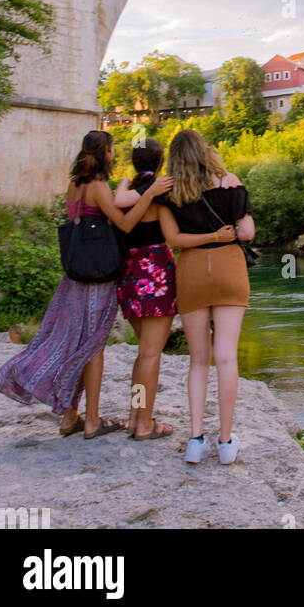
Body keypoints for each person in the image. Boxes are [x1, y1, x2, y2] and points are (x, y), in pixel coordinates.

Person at [0, 130, 172, 438]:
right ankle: (92, 420)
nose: (114, 156)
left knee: (75, 341)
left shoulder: (74, 185)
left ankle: (70, 416)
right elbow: (125, 224)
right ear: (105, 154)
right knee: (93, 345)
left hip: (74, 276)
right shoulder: (99, 187)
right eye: (112, 151)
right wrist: (151, 194)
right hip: (96, 278)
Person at [157, 130, 255, 465]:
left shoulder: (169, 193)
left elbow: (174, 239)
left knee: (199, 360)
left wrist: (203, 235)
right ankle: (226, 442)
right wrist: (222, 230)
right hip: (229, 268)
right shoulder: (228, 181)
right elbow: (247, 233)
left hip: (192, 273)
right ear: (204, 151)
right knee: (226, 357)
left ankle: (195, 439)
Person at [113, 139, 178, 441]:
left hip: (128, 275)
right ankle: (144, 423)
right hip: (155, 275)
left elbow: (122, 211)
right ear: (161, 162)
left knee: (143, 355)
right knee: (151, 355)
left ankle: (134, 416)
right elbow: (172, 236)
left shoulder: (125, 194)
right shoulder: (159, 196)